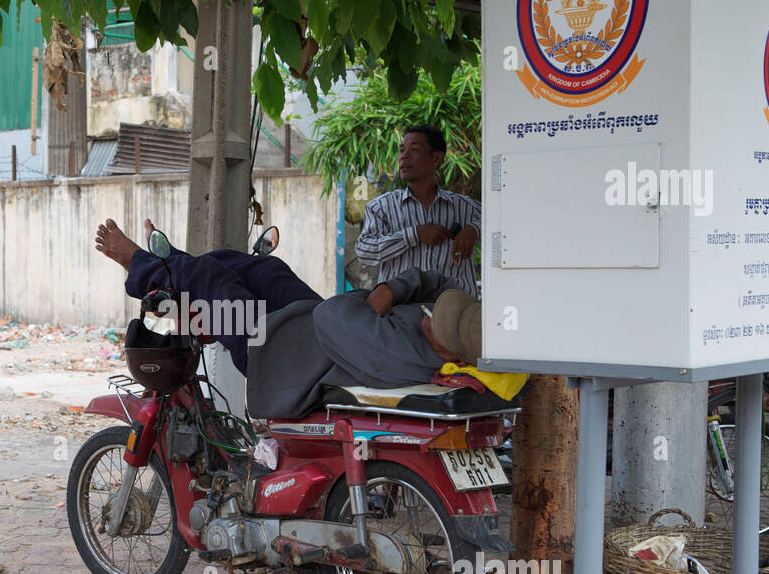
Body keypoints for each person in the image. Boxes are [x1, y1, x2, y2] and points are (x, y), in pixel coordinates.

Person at [95, 218, 484, 418]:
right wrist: (394, 290)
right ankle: (172, 267)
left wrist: (374, 299)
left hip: (280, 358)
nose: (431, 317)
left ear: (455, 356)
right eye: (439, 311)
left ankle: (143, 264)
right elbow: (437, 280)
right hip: (312, 332)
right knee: (262, 268)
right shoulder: (452, 327)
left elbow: (337, 315)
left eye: (439, 324)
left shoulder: (402, 353)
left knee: (209, 278)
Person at [355, 125, 481, 298]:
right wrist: (414, 234)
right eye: (402, 150)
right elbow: (364, 252)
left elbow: (506, 222)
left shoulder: (465, 207)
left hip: (453, 315)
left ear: (436, 158)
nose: (404, 156)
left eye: (414, 149)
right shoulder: (380, 207)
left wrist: (474, 229)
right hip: (399, 314)